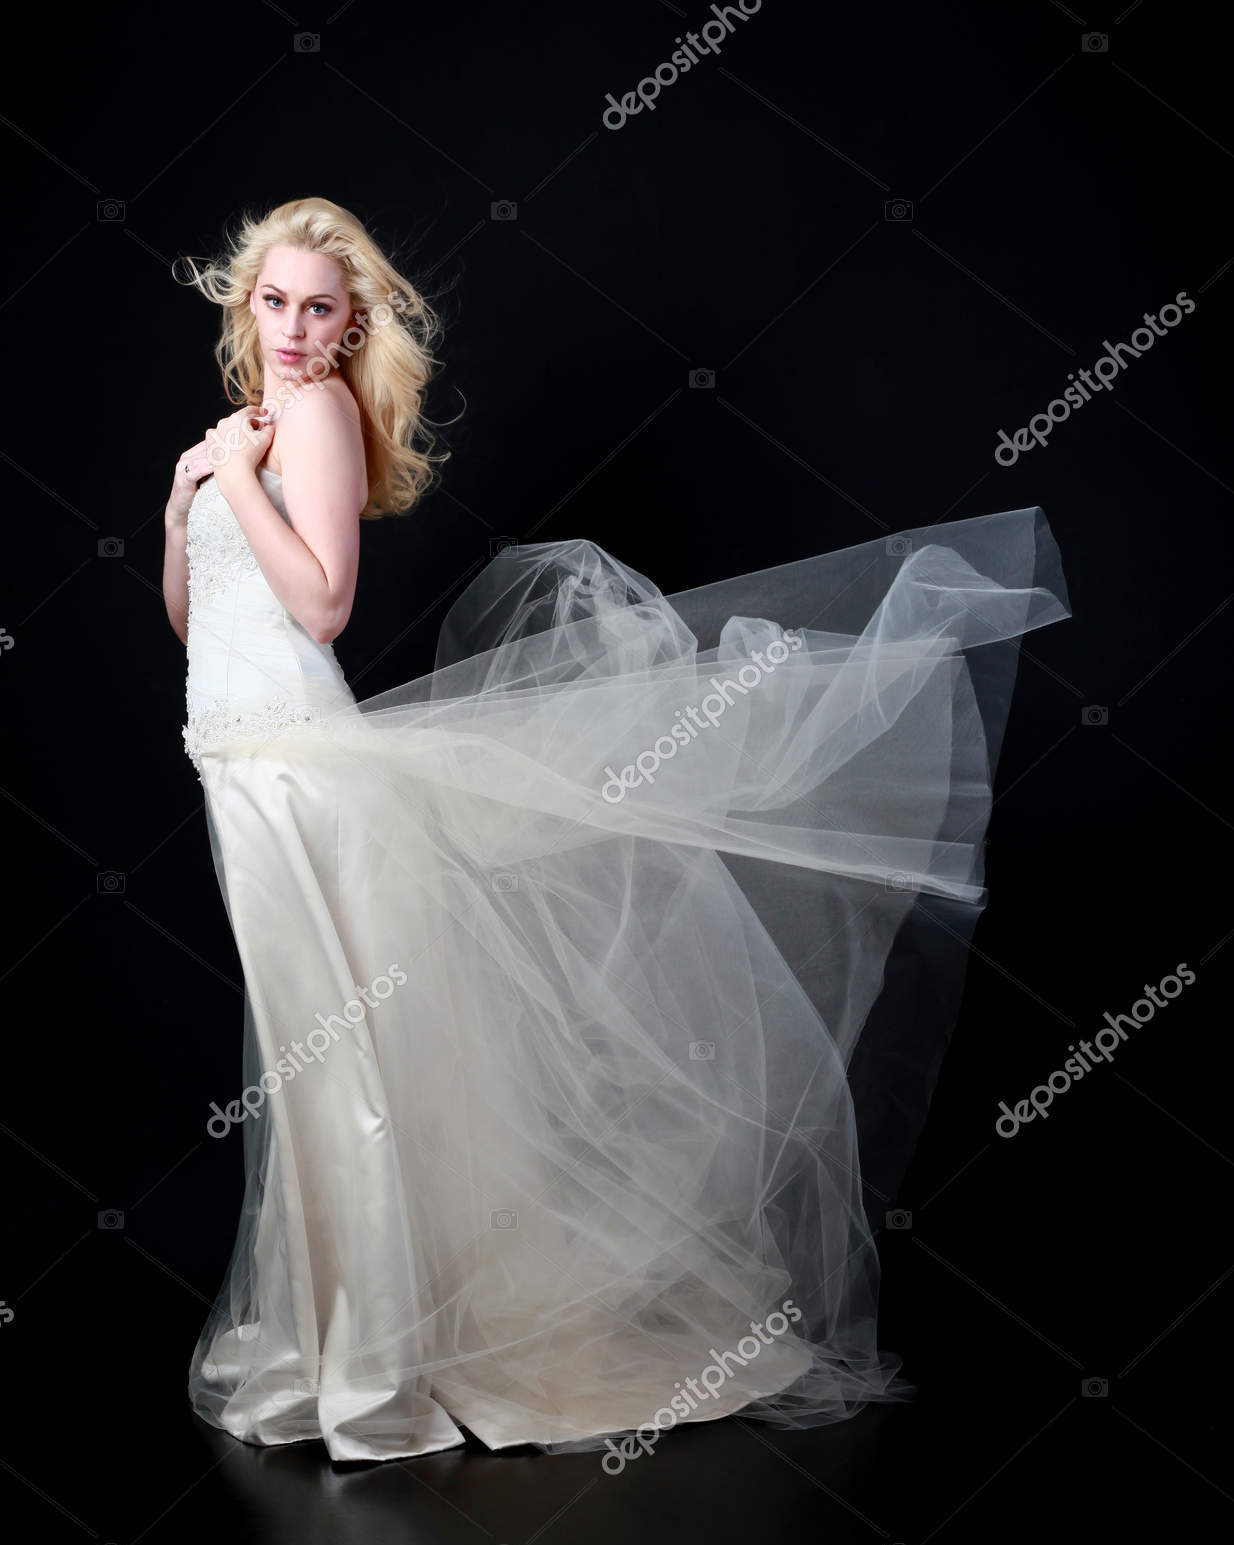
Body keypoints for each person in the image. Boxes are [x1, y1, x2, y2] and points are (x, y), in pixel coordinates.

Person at [164, 196, 1070, 1464]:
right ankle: (348, 1339)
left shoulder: (306, 419)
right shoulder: (246, 433)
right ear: (243, 303)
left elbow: (318, 607)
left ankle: (372, 1362)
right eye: (276, 302)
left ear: (351, 317)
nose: (299, 329)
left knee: (339, 1062)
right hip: (237, 752)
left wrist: (242, 475)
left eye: (323, 306)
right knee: (324, 1052)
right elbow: (196, 618)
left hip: (295, 761)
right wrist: (185, 496)